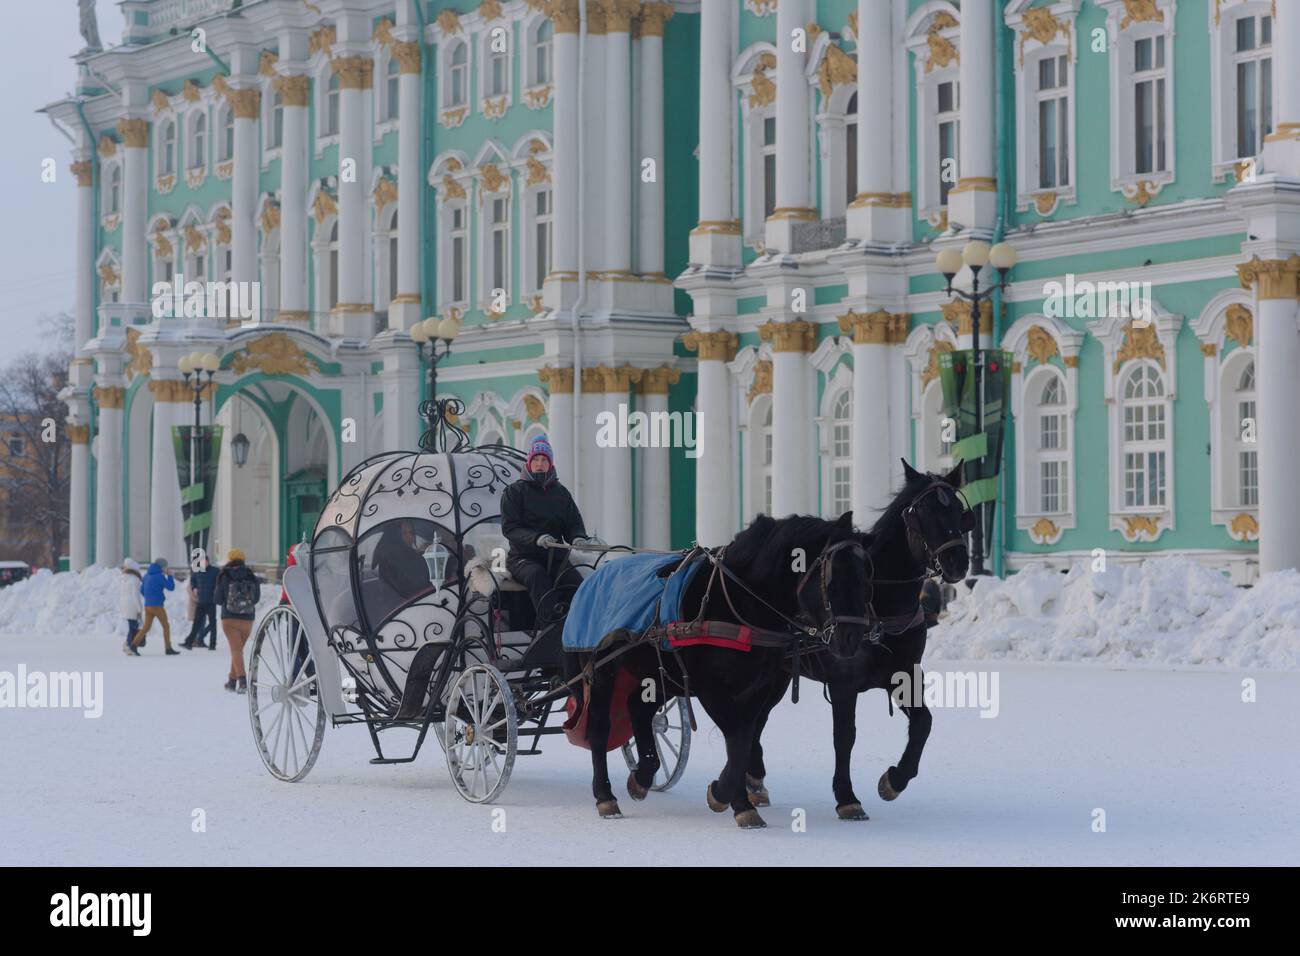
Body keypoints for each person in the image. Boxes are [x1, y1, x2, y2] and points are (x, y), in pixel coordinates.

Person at [501, 436, 588, 627]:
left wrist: (579, 538)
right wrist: (536, 538)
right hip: (523, 558)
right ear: (529, 463)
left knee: (577, 584)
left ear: (550, 464)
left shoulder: (561, 493)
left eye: (544, 460)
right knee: (537, 576)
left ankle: (579, 627)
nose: (540, 464)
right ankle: (549, 629)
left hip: (556, 558)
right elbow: (510, 528)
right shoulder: (514, 492)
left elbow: (573, 523)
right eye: (536, 460)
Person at [215, 548, 261, 693]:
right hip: (248, 619)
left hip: (229, 619)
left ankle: (242, 681)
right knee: (238, 651)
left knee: (236, 651)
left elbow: (217, 599)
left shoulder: (224, 575)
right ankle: (231, 680)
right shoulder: (250, 575)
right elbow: (256, 598)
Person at [131, 559, 178, 655]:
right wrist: (170, 575)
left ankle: (134, 645)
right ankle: (168, 648)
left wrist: (149, 597)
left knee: (146, 628)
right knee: (166, 626)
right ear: (162, 567)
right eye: (165, 567)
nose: (166, 568)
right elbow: (171, 587)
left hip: (148, 606)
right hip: (157, 606)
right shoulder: (160, 576)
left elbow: (142, 590)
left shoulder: (147, 576)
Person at [182, 559, 219, 650]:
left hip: (211, 602)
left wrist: (217, 591)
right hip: (201, 601)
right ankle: (189, 643)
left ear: (208, 561)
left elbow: (220, 581)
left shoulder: (215, 571)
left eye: (205, 561)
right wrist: (194, 587)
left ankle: (212, 644)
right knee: (196, 623)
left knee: (212, 624)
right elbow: (193, 580)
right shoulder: (197, 571)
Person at [119, 559, 144, 656]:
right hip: (132, 605)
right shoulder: (134, 579)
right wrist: (139, 609)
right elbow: (135, 595)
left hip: (125, 605)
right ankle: (129, 646)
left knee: (132, 626)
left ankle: (127, 644)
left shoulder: (123, 578)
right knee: (133, 627)